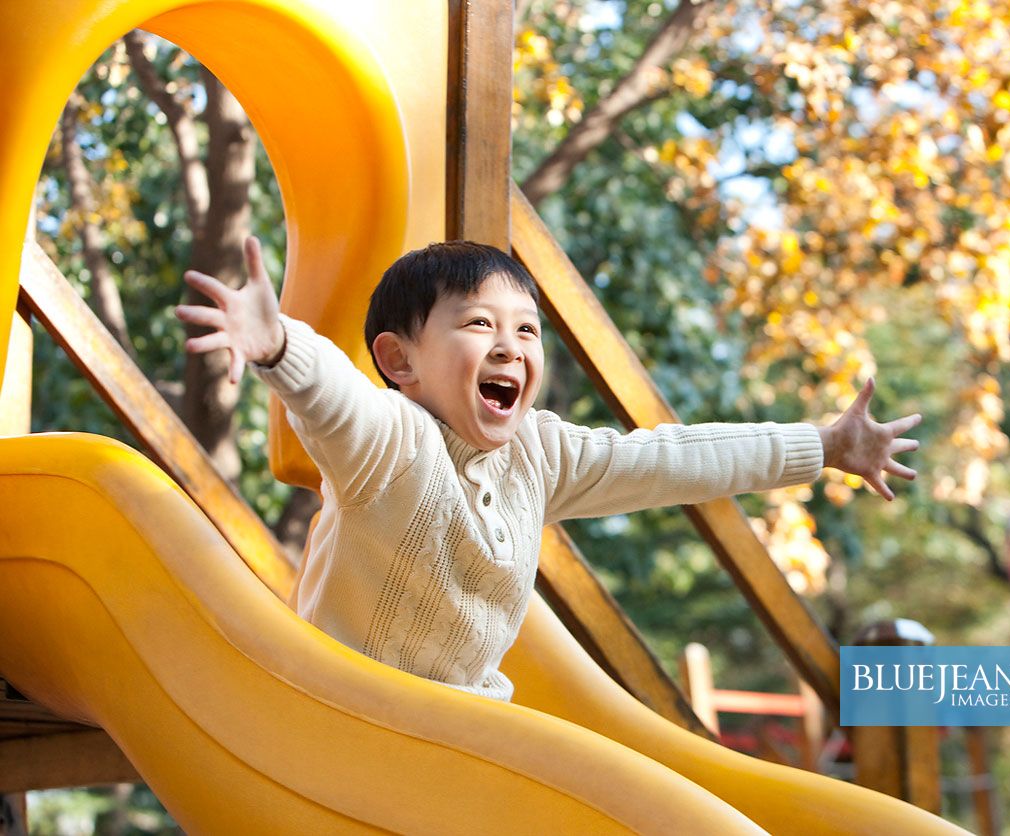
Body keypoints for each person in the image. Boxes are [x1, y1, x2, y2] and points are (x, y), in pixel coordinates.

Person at [175, 237, 922, 702]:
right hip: (350, 722)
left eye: (526, 330)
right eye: (478, 324)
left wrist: (820, 447)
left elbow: (671, 459)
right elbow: (332, 397)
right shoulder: (390, 444)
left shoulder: (539, 452)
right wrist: (276, 346)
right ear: (399, 360)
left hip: (471, 729)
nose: (510, 347)